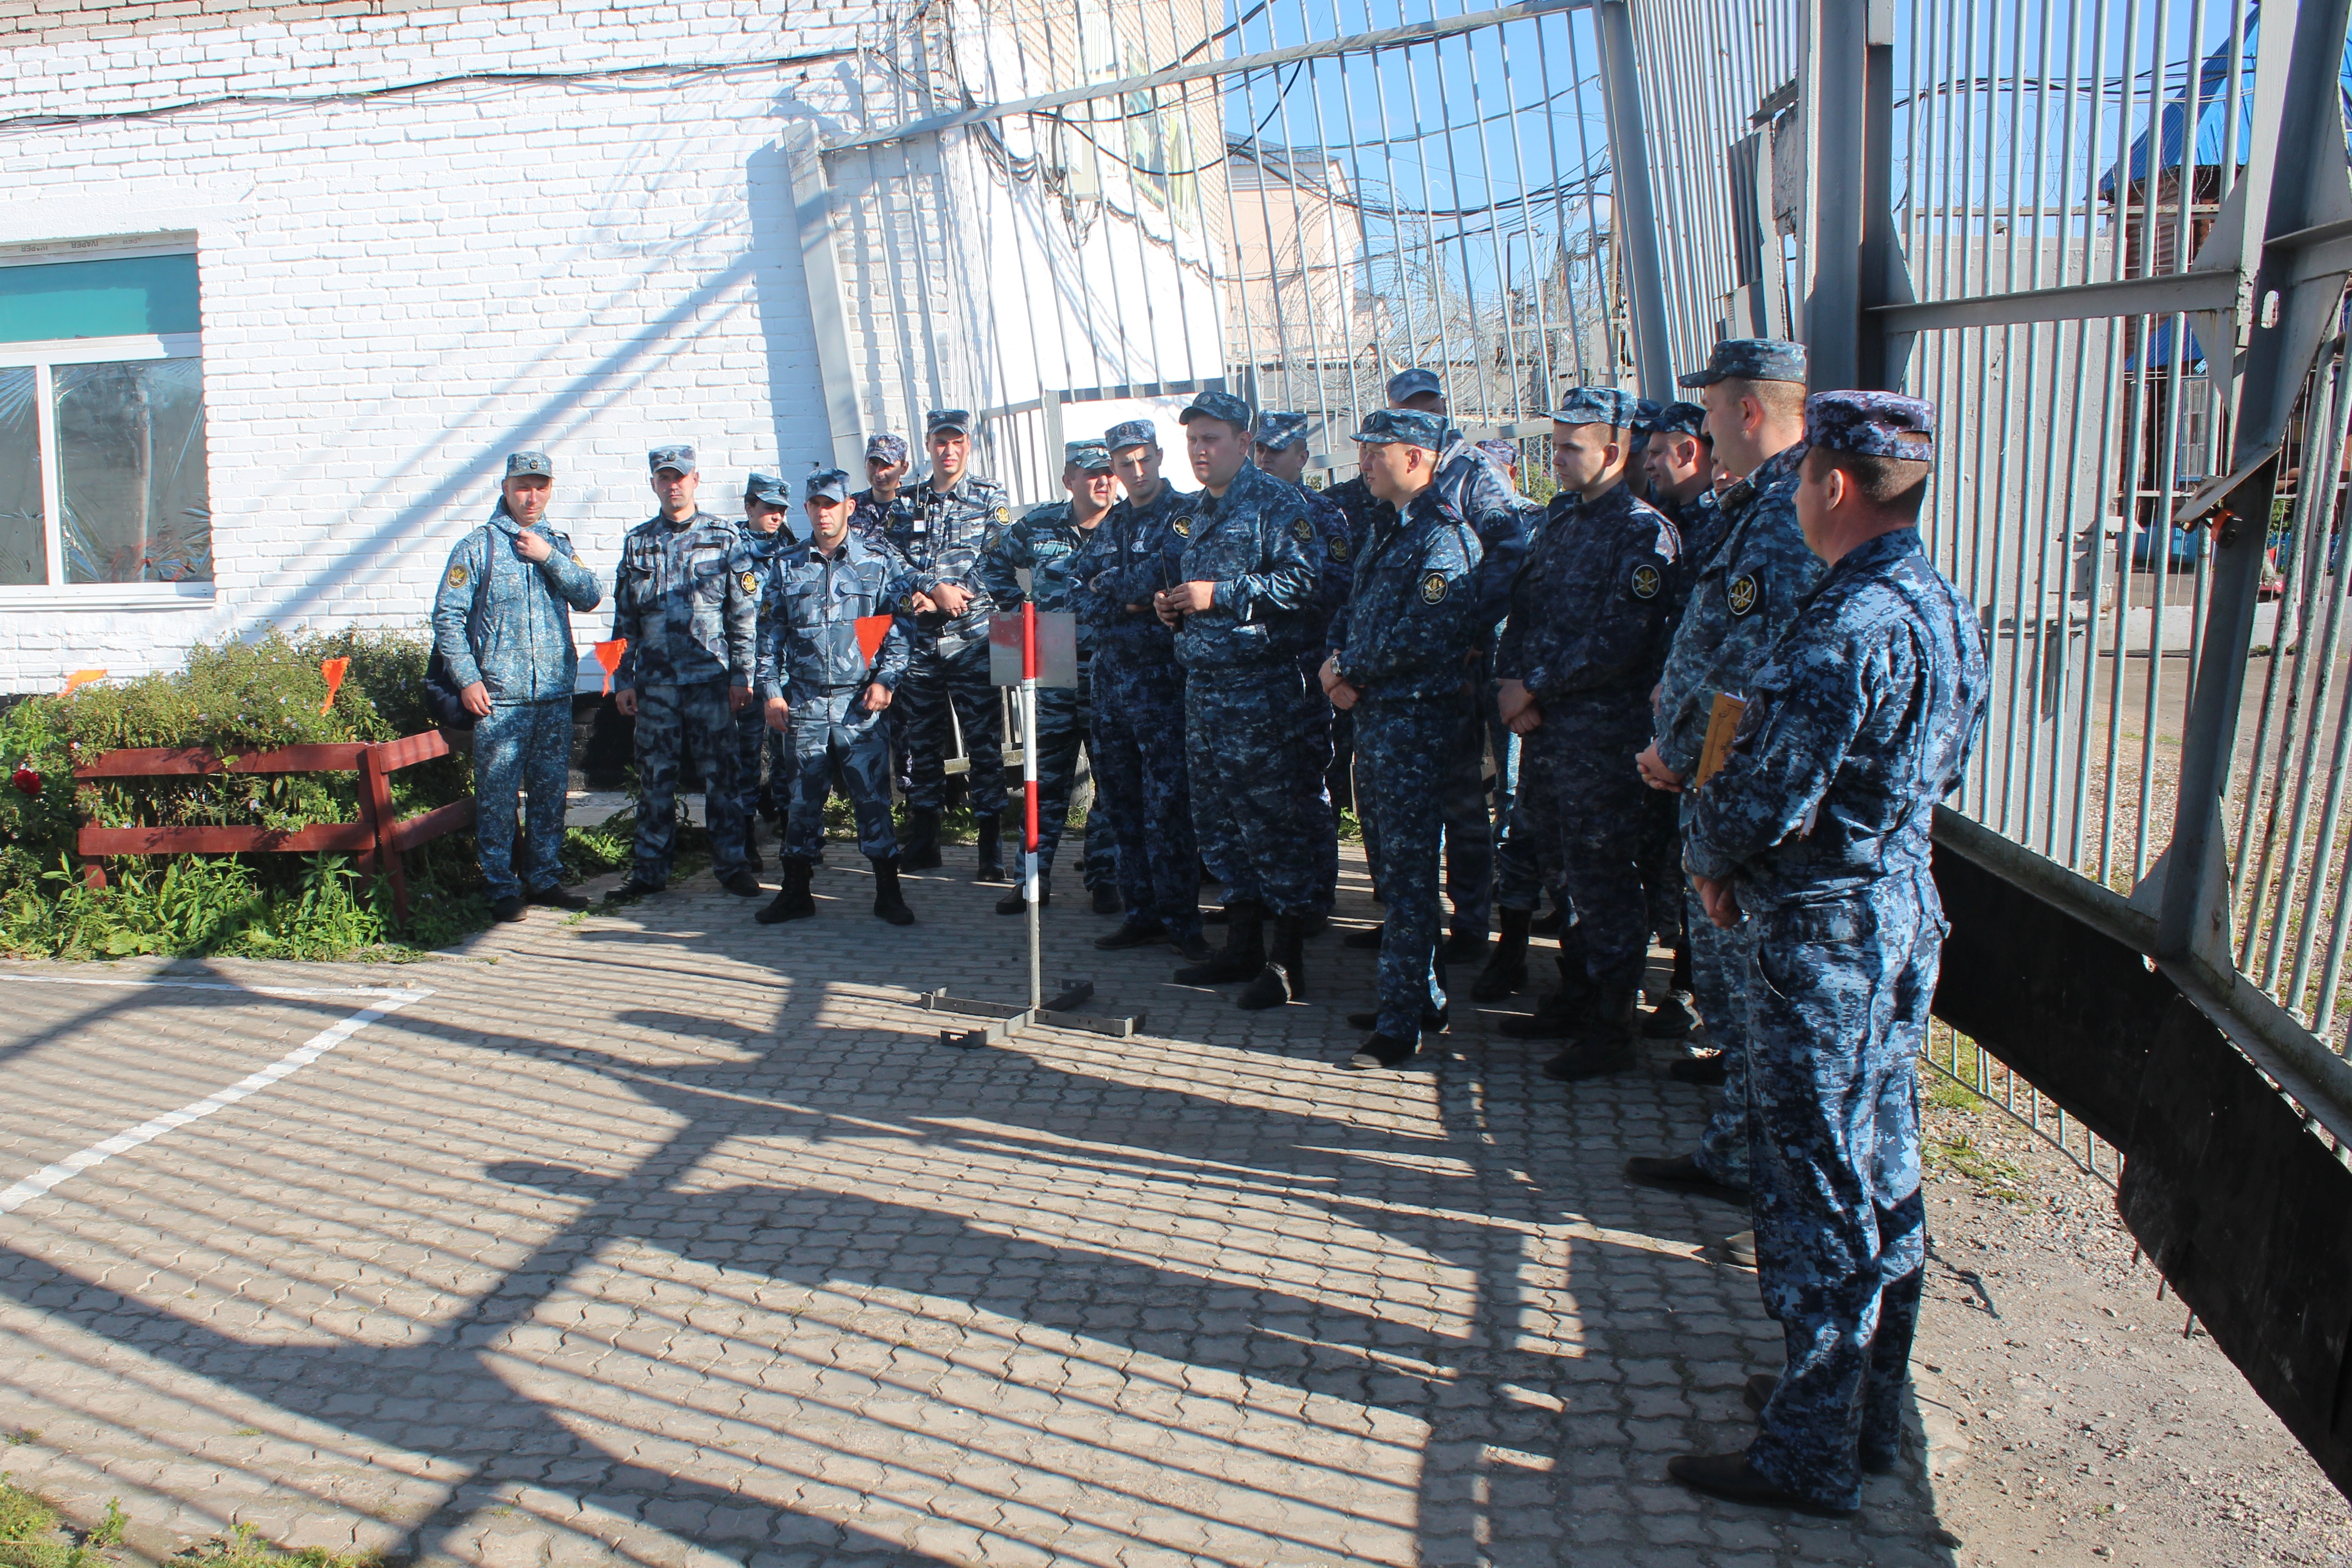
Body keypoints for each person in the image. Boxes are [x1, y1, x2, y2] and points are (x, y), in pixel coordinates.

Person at [1667, 391, 1986, 1518]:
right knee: (1884, 1168)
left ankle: (1807, 1447)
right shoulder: (1938, 604)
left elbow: (1760, 792)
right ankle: (1859, 1405)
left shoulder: (1845, 624)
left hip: (1819, 938)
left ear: (1834, 486)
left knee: (1815, 1185)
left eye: (1805, 477)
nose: (1795, 495)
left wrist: (1707, 852)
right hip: (1896, 912)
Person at [1625, 341, 1820, 1208]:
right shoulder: (1757, 502)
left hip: (1729, 783)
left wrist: (1680, 750)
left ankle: (1749, 1161)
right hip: (1714, 781)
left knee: (1745, 990)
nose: (1699, 429)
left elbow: (1745, 671)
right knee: (1730, 991)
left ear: (1747, 409)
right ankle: (1736, 1145)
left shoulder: (1783, 510)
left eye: (1709, 410)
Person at [1494, 388, 1679, 1077]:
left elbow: (1619, 642)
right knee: (1556, 866)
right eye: (1557, 442)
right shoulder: (1560, 520)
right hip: (1545, 731)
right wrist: (1514, 693)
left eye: (1573, 446)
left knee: (1603, 876)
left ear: (1613, 450)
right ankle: (1573, 992)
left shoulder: (1642, 532)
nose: (1560, 456)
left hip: (1602, 736)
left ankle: (1612, 1022)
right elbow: (1522, 611)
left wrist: (1533, 685)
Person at [1320, 409, 1482, 1070]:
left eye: (1375, 451)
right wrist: (1336, 663)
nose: (1362, 462)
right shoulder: (1388, 531)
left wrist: (1349, 671)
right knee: (1394, 870)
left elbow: (1426, 636)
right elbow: (1354, 613)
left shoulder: (1443, 539)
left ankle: (1400, 1022)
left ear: (1415, 458)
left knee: (1412, 879)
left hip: (1414, 726)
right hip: (1376, 721)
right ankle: (1422, 996)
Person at [1158, 389, 1320, 1009]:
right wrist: (1174, 608)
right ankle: (1244, 945)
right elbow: (1198, 593)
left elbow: (1306, 581)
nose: (1200, 451)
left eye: (1212, 439)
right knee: (1220, 825)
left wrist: (1217, 595)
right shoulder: (1198, 511)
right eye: (1193, 439)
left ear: (1244, 443)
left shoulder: (1277, 504)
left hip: (1259, 694)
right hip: (1204, 691)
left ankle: (1287, 961)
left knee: (1271, 824)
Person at [432, 451, 604, 922]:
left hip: (552, 695)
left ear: (550, 490)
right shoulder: (478, 547)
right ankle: (501, 885)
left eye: (541, 486)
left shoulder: (558, 544)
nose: (532, 496)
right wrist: (467, 679)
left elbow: (590, 595)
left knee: (551, 794)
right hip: (500, 700)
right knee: (497, 797)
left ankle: (545, 878)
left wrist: (549, 558)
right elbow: (447, 618)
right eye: (523, 487)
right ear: (506, 489)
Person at [754, 468, 918, 926]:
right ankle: (795, 892)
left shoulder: (879, 563)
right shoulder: (786, 566)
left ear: (848, 506)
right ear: (806, 510)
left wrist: (886, 680)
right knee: (802, 801)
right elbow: (768, 635)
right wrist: (770, 691)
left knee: (872, 800)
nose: (823, 513)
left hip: (858, 704)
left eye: (832, 504)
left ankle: (888, 891)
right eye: (815, 506)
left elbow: (901, 630)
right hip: (804, 702)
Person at [1075, 419, 1210, 962]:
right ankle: (1141, 914)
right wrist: (1132, 599)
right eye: (1124, 462)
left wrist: (1119, 594)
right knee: (1122, 805)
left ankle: (1181, 919)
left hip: (1164, 687)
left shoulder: (1189, 517)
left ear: (1158, 455)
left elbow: (1179, 586)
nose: (1137, 470)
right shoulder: (1107, 528)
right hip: (1111, 687)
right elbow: (1078, 596)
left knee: (1169, 809)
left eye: (1143, 458)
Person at [975, 439, 1122, 914]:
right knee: (1044, 779)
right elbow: (991, 566)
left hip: (1113, 664)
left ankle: (1105, 877)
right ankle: (1030, 880)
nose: (1104, 481)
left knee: (1113, 780)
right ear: (1068, 480)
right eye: (1092, 473)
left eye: (1109, 472)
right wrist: (1023, 617)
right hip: (1052, 656)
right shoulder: (1038, 526)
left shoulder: (1131, 525)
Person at [609, 445, 760, 899]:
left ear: (696, 480)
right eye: (664, 477)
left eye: (680, 477)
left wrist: (742, 676)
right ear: (654, 483)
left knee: (723, 778)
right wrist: (621, 678)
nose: (672, 484)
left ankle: (732, 867)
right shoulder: (637, 542)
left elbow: (744, 614)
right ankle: (650, 872)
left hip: (710, 682)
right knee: (655, 780)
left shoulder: (725, 537)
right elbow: (623, 620)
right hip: (655, 686)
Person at [880, 410, 1012, 878]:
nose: (948, 451)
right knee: (922, 743)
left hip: (972, 640)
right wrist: (926, 586)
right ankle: (925, 838)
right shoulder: (909, 499)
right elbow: (889, 555)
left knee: (984, 744)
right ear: (928, 444)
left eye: (956, 442)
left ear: (968, 444)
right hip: (920, 644)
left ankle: (990, 846)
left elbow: (998, 558)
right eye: (940, 442)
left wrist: (955, 595)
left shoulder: (988, 496)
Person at [1249, 410, 1351, 921]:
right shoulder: (1240, 510)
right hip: (1251, 675)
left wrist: (1262, 594)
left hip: (1304, 670)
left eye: (1277, 450)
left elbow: (1332, 589)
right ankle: (1267, 894)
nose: (1265, 458)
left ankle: (1316, 897)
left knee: (1307, 784)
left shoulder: (1325, 515)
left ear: (1303, 457)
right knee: (1256, 789)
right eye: (1260, 449)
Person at [729, 472, 795, 871]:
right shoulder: (729, 552)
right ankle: (745, 837)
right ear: (749, 506)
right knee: (746, 755)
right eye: (767, 507)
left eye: (781, 509)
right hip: (746, 674)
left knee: (790, 756)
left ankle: (794, 831)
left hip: (788, 672)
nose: (775, 515)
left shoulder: (795, 551)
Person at [851, 433, 912, 545]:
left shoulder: (915, 508)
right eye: (873, 463)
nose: (879, 473)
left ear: (904, 468)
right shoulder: (851, 507)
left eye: (887, 465)